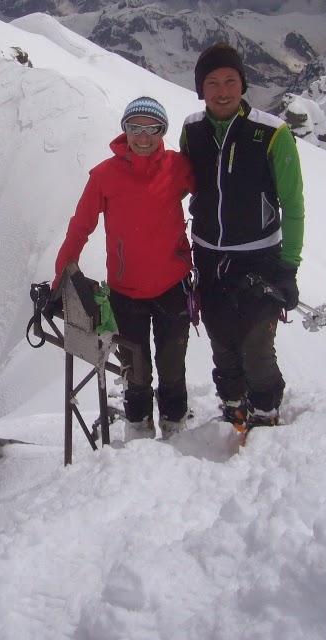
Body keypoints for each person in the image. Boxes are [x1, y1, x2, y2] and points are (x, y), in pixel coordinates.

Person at [179, 43, 305, 430]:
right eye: (212, 82)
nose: (221, 91)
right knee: (222, 343)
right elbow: (182, 185)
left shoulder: (271, 133)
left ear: (242, 84)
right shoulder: (192, 130)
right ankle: (233, 405)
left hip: (259, 258)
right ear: (201, 88)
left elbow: (293, 204)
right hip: (208, 257)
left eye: (230, 81)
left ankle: (264, 411)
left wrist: (289, 267)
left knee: (256, 345)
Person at [54, 96, 194, 440]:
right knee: (137, 369)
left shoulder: (179, 167)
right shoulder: (104, 175)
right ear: (125, 130)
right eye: (135, 128)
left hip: (173, 284)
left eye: (152, 129)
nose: (143, 137)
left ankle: (175, 423)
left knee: (172, 363)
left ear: (163, 131)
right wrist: (60, 280)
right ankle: (138, 425)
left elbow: (212, 203)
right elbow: (80, 227)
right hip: (126, 290)